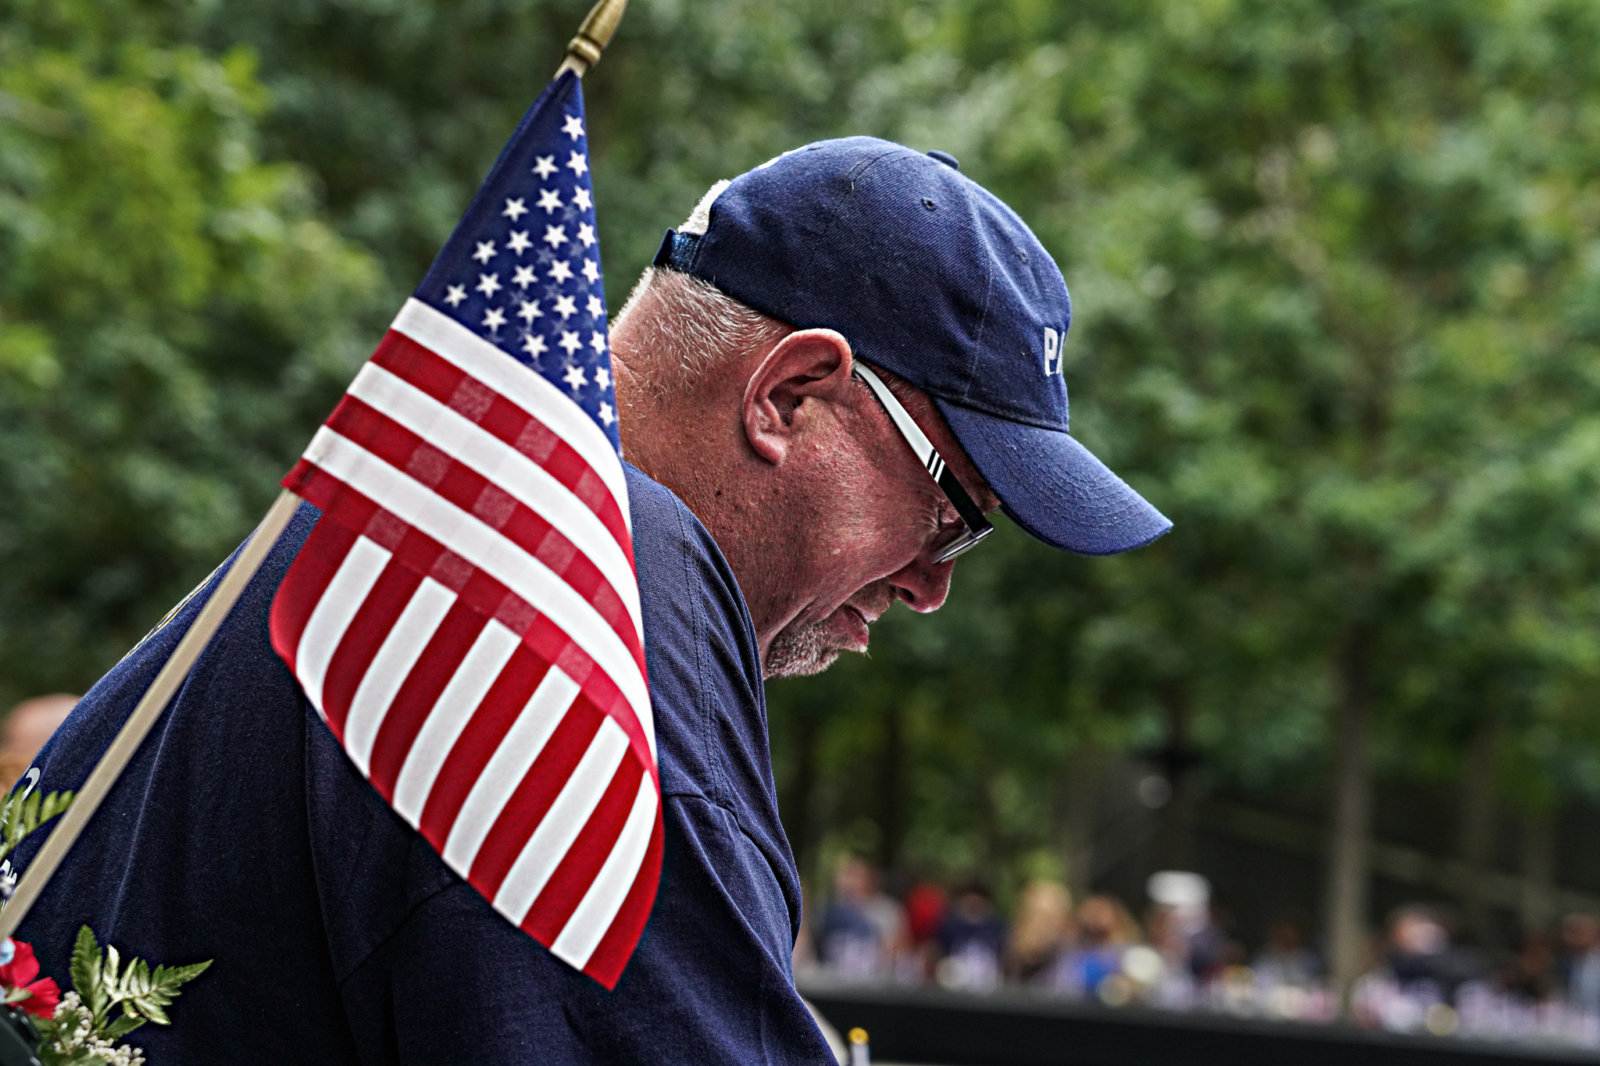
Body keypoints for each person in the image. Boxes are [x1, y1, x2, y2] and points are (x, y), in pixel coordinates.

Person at [12, 137, 1169, 1062]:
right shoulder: (596, 580)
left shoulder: (431, 495)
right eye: (953, 507)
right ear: (792, 394)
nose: (933, 585)